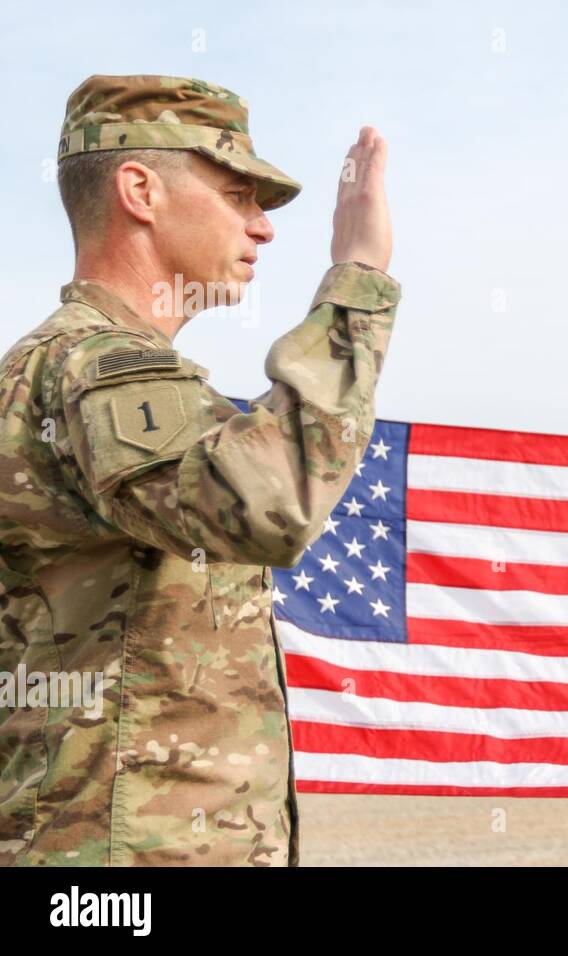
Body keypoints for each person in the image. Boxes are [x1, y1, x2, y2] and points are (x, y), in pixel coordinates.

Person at [0, 74, 399, 866]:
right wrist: (358, 280)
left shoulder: (96, 367)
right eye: (237, 193)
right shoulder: (95, 364)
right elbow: (270, 502)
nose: (262, 227)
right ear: (140, 190)